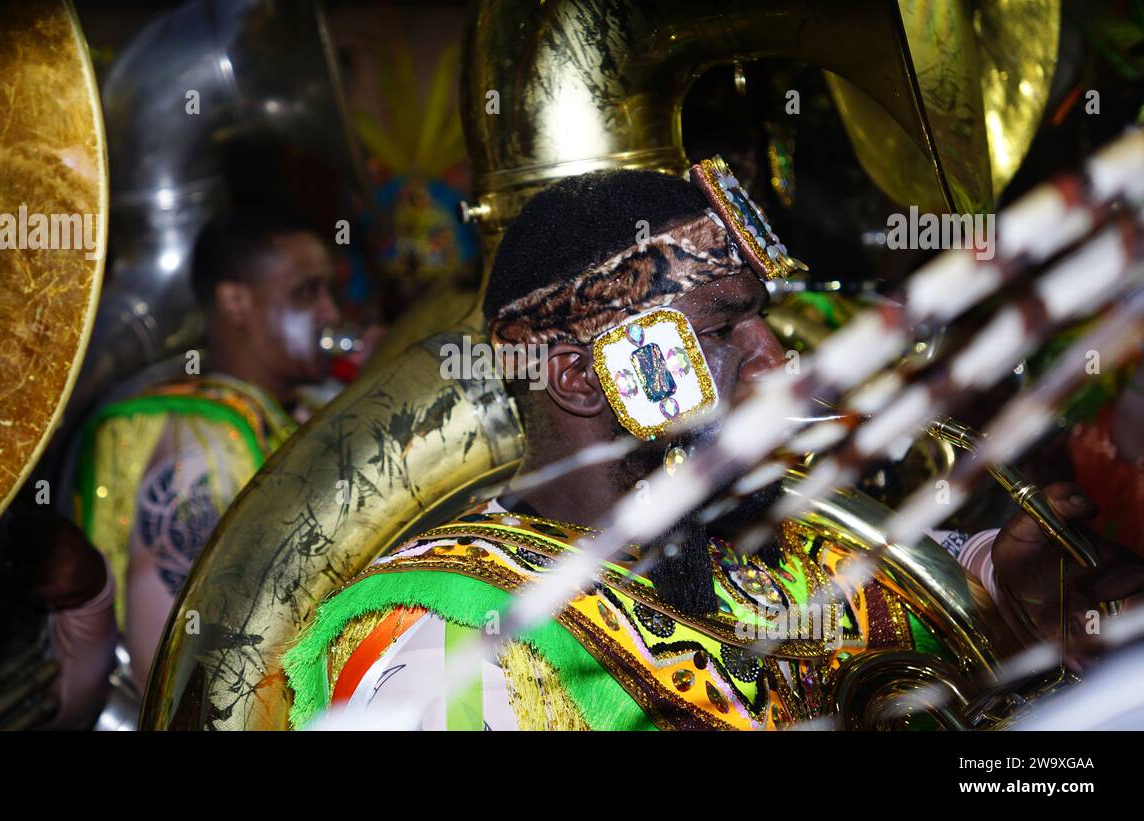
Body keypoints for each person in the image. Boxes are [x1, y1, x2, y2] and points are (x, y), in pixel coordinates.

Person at [280, 161, 1143, 730]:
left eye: (766, 321)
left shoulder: (776, 526)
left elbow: (893, 585)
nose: (781, 359)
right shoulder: (440, 648)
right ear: (581, 378)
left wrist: (1005, 583)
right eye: (727, 327)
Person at [76, 209, 340, 689]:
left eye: (328, 291)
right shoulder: (196, 443)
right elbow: (177, 670)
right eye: (306, 292)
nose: (331, 313)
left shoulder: (300, 407)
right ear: (235, 303)